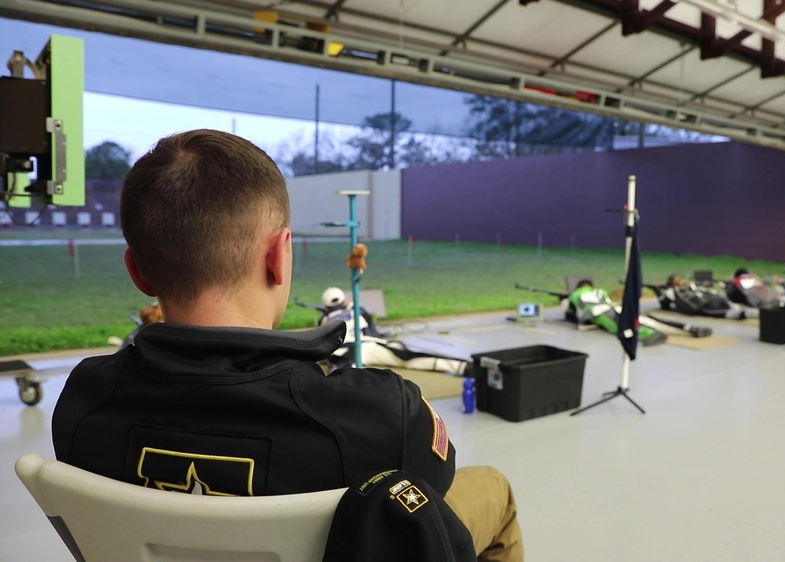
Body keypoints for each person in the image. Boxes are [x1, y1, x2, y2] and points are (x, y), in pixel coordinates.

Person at [51, 130, 522, 562]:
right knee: (494, 488)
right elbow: (433, 489)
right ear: (279, 255)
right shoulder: (384, 415)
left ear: (137, 271)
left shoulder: (81, 403)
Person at [318, 286, 469, 374]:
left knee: (340, 377)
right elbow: (373, 331)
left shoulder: (324, 321)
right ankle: (463, 368)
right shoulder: (357, 309)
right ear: (344, 300)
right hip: (368, 346)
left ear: (326, 307)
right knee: (407, 357)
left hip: (342, 354)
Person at [567, 279, 668, 345]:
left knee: (618, 327)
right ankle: (650, 330)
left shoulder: (575, 294)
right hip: (615, 308)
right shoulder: (600, 291)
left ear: (578, 287)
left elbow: (570, 313)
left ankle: (650, 333)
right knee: (626, 320)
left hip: (599, 312)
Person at [654, 273, 757, 320]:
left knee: (726, 310)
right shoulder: (687, 287)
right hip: (710, 299)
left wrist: (657, 291)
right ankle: (751, 313)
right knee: (728, 309)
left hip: (707, 302)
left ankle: (750, 313)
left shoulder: (676, 290)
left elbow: (663, 304)